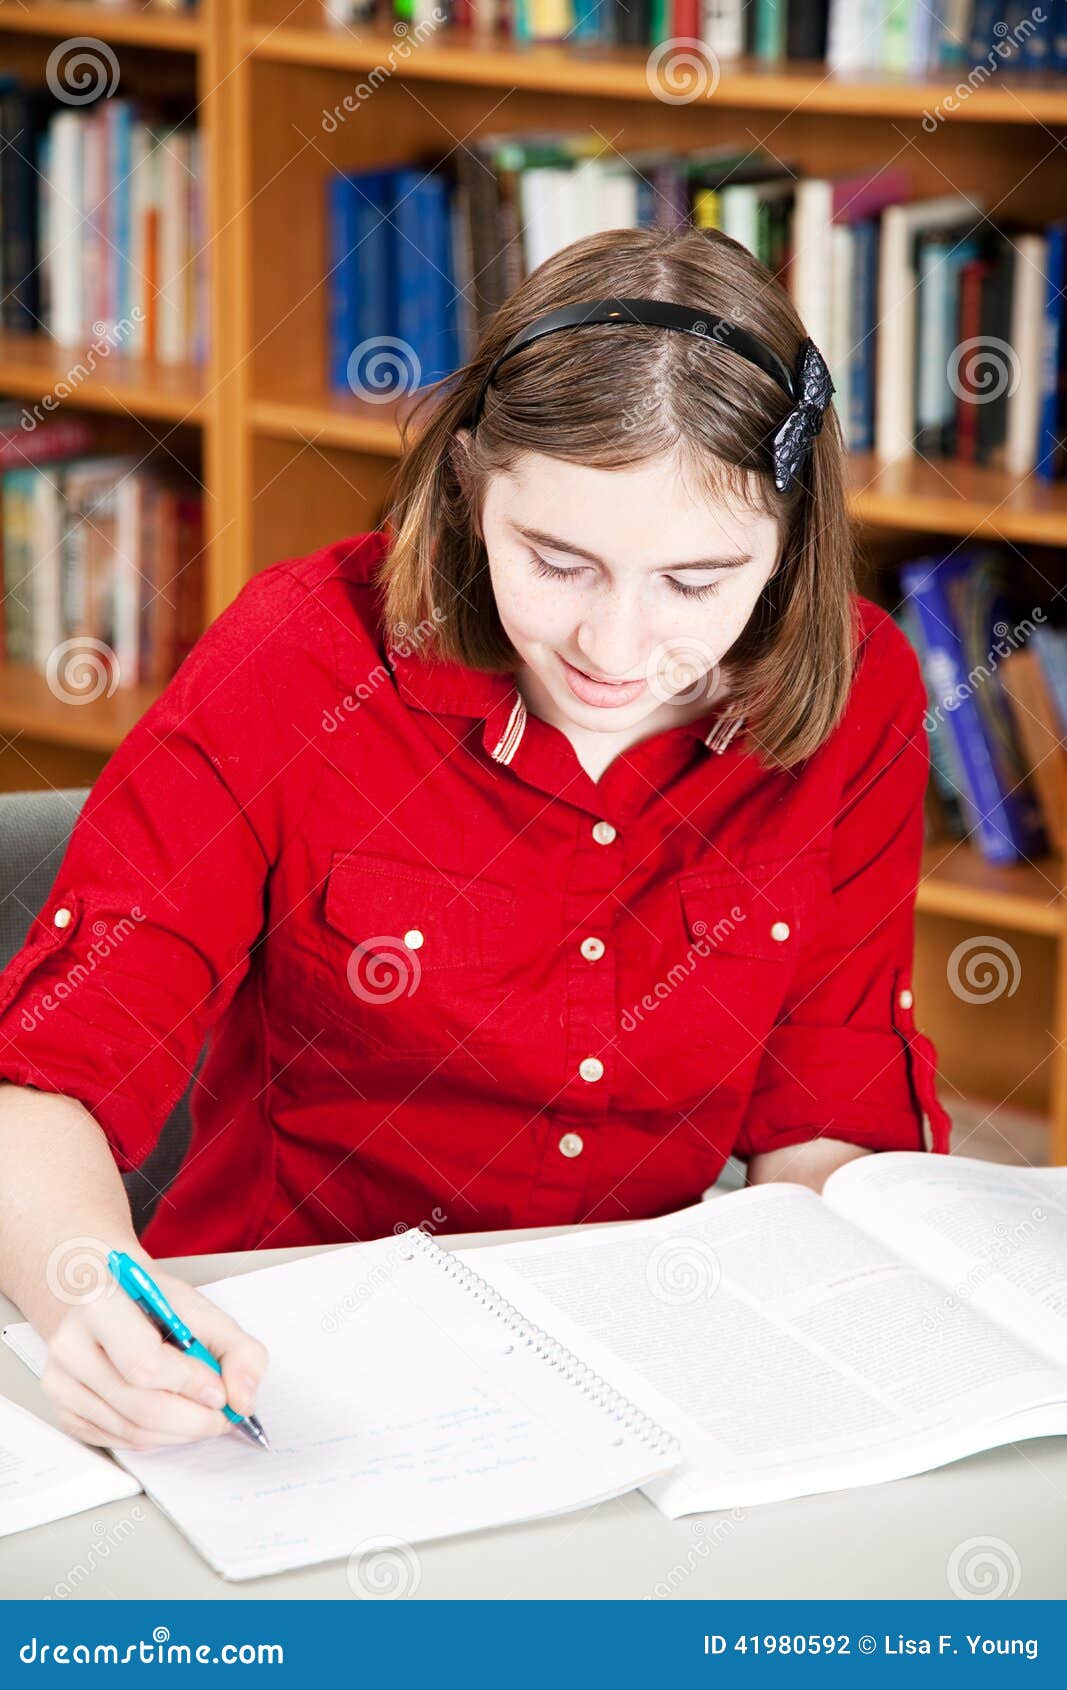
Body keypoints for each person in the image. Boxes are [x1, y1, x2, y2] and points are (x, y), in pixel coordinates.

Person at [0, 226, 952, 1453]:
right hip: (284, 1369)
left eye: (697, 582)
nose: (615, 648)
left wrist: (804, 1345)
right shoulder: (300, 662)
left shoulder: (859, 691)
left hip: (633, 1366)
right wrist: (85, 1292)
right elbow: (52, 1074)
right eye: (556, 561)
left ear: (787, 551)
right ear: (469, 488)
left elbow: (828, 1107)